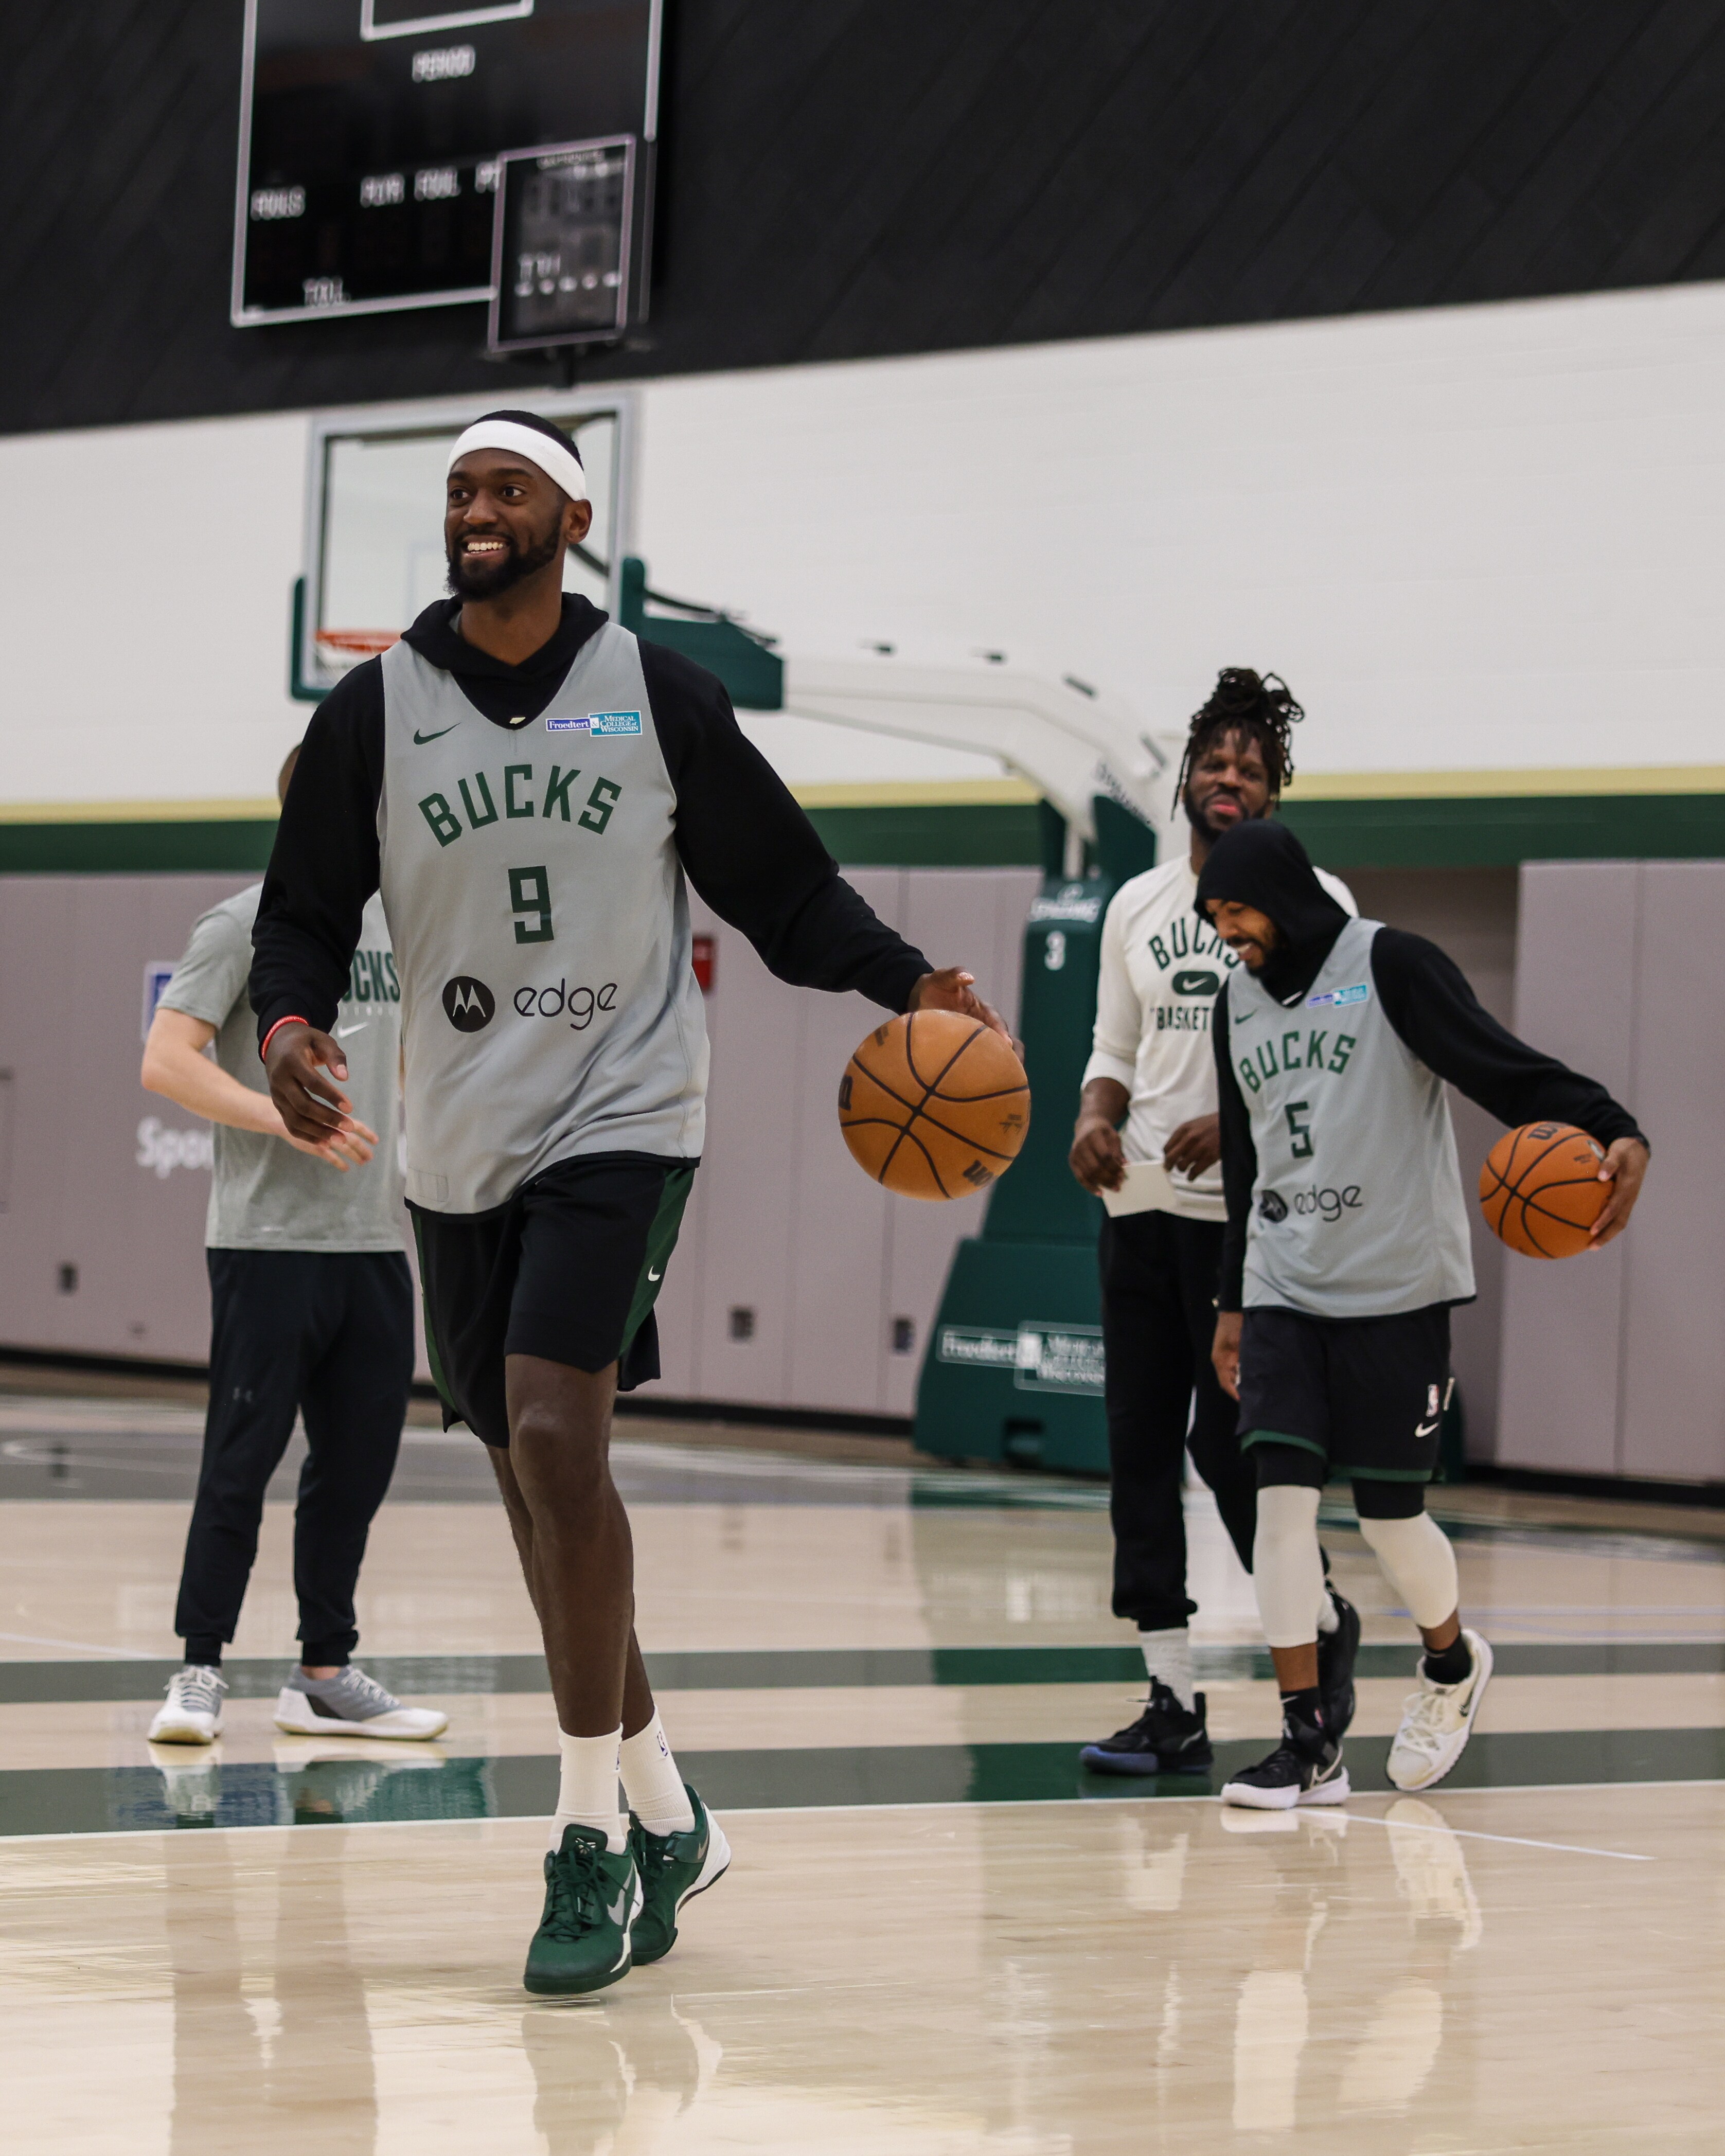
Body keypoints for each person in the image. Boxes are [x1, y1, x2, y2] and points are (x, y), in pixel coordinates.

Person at [250, 409, 1010, 1995]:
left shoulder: (657, 694)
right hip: (456, 1142)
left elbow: (784, 890)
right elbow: (304, 913)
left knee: (553, 1441)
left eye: (503, 485)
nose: (474, 508)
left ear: (571, 513)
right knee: (541, 1504)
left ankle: (586, 1839)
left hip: (624, 1113)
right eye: (458, 489)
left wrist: (904, 979)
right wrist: (291, 1028)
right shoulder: (372, 711)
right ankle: (671, 1812)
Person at [1200, 821, 1648, 1808]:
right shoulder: (1233, 1003)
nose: (1227, 932)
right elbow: (1245, 1159)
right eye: (1214, 917)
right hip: (1283, 1281)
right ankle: (1305, 1738)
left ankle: (1450, 1664)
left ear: (1282, 894)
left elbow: (1499, 1066)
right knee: (1276, 1504)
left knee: (1391, 1519)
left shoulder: (1392, 963)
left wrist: (1609, 1124)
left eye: (1235, 912)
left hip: (1395, 1286)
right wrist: (1232, 1298)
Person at [1069, 670, 1360, 1775]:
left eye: (1251, 766)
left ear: (1273, 796)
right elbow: (1111, 1049)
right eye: (1215, 760)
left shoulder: (1316, 899)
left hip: (1251, 1225)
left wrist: (1233, 1130)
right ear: (1188, 776)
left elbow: (1340, 1057)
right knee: (1138, 1449)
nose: (1227, 778)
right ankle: (1171, 1694)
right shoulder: (1136, 905)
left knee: (1229, 1443)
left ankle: (1320, 1617)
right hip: (1139, 1213)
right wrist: (1093, 1119)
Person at [142, 745, 445, 1750]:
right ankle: (199, 1668)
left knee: (356, 1465)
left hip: (371, 1240)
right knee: (242, 1461)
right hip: (267, 1240)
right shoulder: (242, 924)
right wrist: (278, 1117)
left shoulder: (398, 930)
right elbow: (164, 1059)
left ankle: (323, 1672)